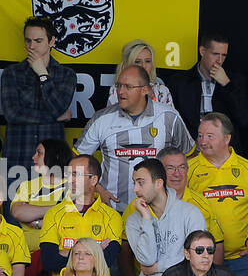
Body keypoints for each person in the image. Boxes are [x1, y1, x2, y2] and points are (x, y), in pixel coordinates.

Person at [76, 64, 194, 212]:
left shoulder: (169, 116)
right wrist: (97, 188)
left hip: (158, 210)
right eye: (119, 85)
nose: (120, 91)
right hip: (113, 209)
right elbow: (76, 160)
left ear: (144, 90)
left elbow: (190, 156)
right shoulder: (101, 119)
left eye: (128, 86)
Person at [186, 112, 248, 276]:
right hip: (203, 259)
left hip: (243, 260)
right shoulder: (188, 170)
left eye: (210, 136)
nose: (202, 141)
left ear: (227, 138)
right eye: (200, 135)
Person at [0, 16, 76, 189]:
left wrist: (42, 74)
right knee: (14, 206)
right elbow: (12, 114)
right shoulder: (11, 73)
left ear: (52, 41)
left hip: (52, 161)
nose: (31, 46)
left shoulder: (66, 74)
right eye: (28, 41)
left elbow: (58, 107)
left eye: (38, 41)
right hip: (17, 157)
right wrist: (54, 118)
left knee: (53, 206)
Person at [37, 153, 123, 275]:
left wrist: (66, 253)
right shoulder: (53, 214)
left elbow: (107, 260)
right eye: (68, 175)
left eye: (76, 174)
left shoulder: (112, 217)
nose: (70, 180)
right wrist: (95, 251)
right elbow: (49, 262)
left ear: (93, 180)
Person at [170, 31, 248, 146]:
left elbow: (244, 120)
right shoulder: (180, 82)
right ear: (202, 51)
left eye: (224, 55)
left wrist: (227, 85)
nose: (219, 60)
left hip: (223, 148)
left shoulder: (235, 81)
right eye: (215, 54)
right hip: (190, 147)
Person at [104, 40, 174, 107]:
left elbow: (171, 115)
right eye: (138, 62)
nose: (143, 66)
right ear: (127, 65)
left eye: (148, 61)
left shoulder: (162, 90)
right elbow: (113, 115)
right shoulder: (117, 90)